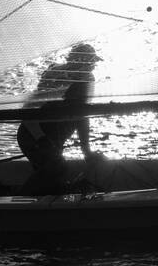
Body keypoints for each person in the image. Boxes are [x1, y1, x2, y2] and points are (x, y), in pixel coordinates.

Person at [16, 42, 102, 194]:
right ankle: (19, 200)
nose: (94, 66)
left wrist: (86, 151)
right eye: (91, 62)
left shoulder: (88, 79)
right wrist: (41, 139)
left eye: (94, 62)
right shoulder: (55, 76)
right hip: (33, 135)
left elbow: (82, 116)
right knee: (58, 167)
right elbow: (29, 109)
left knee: (54, 179)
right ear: (80, 62)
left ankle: (34, 201)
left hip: (54, 139)